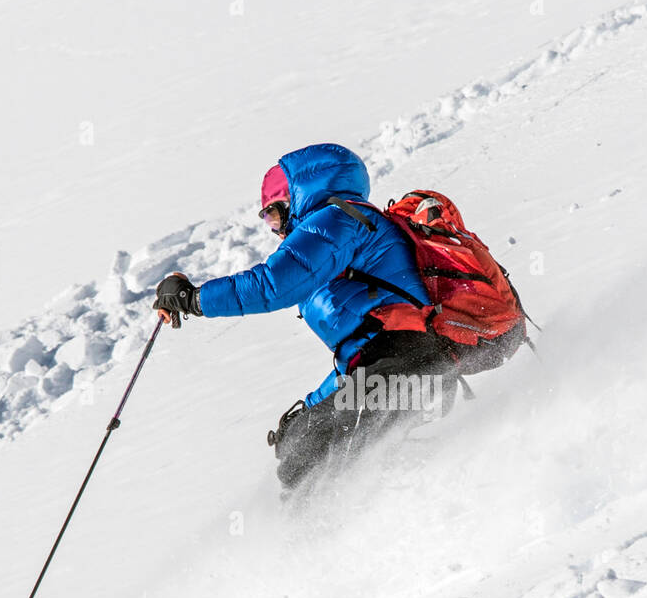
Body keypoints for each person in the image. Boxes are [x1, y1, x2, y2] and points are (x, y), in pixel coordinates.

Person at [152, 143, 458, 489]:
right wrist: (308, 410)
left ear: (295, 198)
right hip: (403, 367)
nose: (275, 229)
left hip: (404, 364)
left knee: (326, 472)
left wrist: (192, 299)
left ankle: (325, 538)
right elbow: (359, 353)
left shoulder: (337, 219)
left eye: (273, 215)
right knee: (307, 452)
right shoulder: (345, 224)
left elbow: (272, 285)